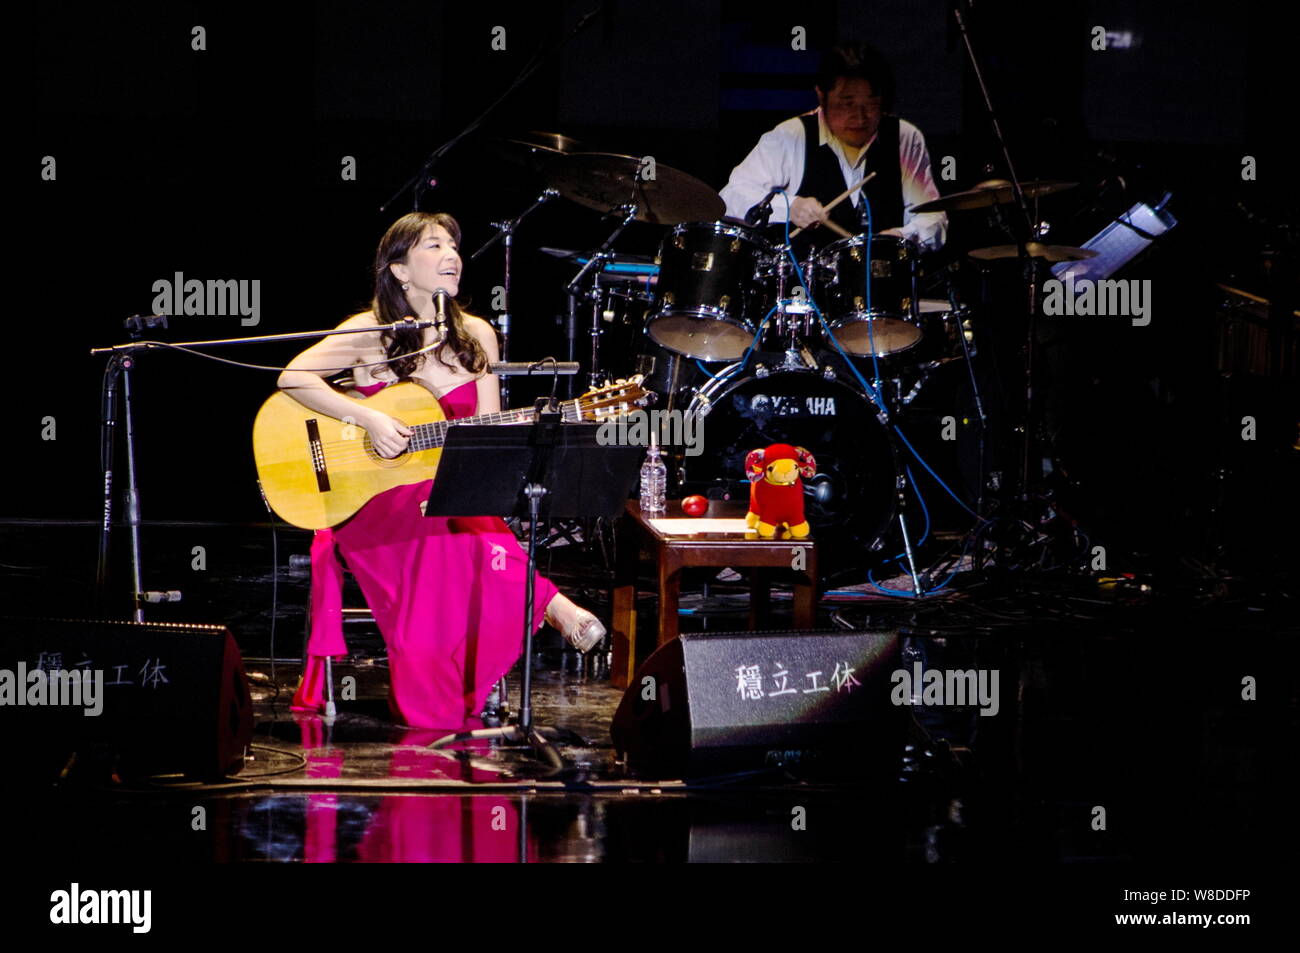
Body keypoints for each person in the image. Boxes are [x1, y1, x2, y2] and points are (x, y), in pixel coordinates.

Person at [279, 211, 605, 730]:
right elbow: (292, 378)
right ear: (400, 270)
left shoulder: (477, 335)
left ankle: (464, 664)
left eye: (453, 245)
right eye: (434, 246)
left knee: (462, 521)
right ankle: (553, 605)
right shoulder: (369, 331)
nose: (452, 255)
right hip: (369, 500)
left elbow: (490, 433)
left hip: (445, 494)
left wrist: (466, 483)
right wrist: (367, 416)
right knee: (458, 527)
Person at [719, 42, 947, 254]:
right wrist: (791, 206)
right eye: (846, 104)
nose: (860, 117)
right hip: (804, 287)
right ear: (821, 95)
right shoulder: (790, 137)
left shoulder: (904, 138)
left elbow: (932, 218)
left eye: (871, 105)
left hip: (882, 284)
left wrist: (901, 237)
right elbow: (731, 197)